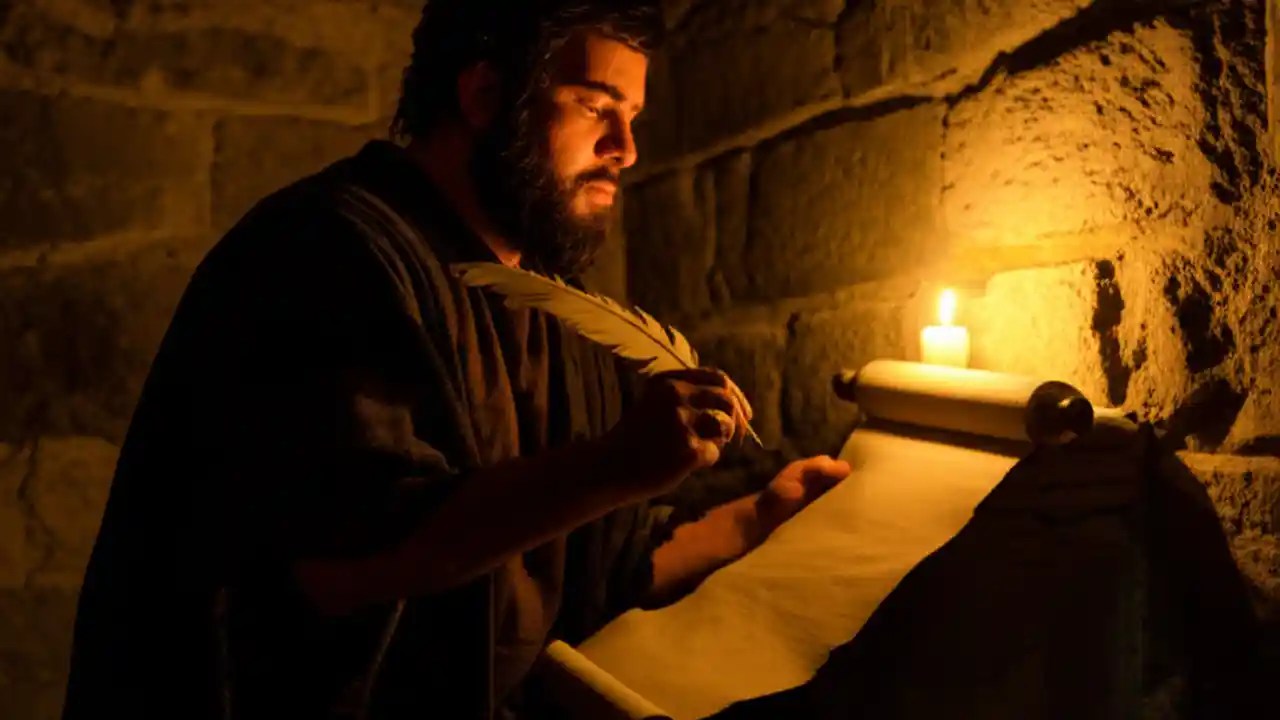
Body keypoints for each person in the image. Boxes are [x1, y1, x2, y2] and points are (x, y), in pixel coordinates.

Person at [61, 1, 851, 718]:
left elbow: (603, 565)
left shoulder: (555, 305)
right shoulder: (326, 253)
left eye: (633, 116)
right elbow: (350, 558)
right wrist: (618, 463)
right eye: (595, 107)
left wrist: (758, 516)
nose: (626, 149)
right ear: (483, 94)